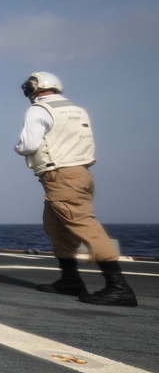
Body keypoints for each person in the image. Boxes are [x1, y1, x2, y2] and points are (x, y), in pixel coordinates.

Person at [14, 71, 136, 307]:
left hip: (61, 175)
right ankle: (70, 280)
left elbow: (28, 144)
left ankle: (119, 287)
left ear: (34, 88)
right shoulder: (77, 110)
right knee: (56, 226)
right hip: (81, 173)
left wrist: (17, 148)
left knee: (85, 225)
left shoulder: (38, 110)